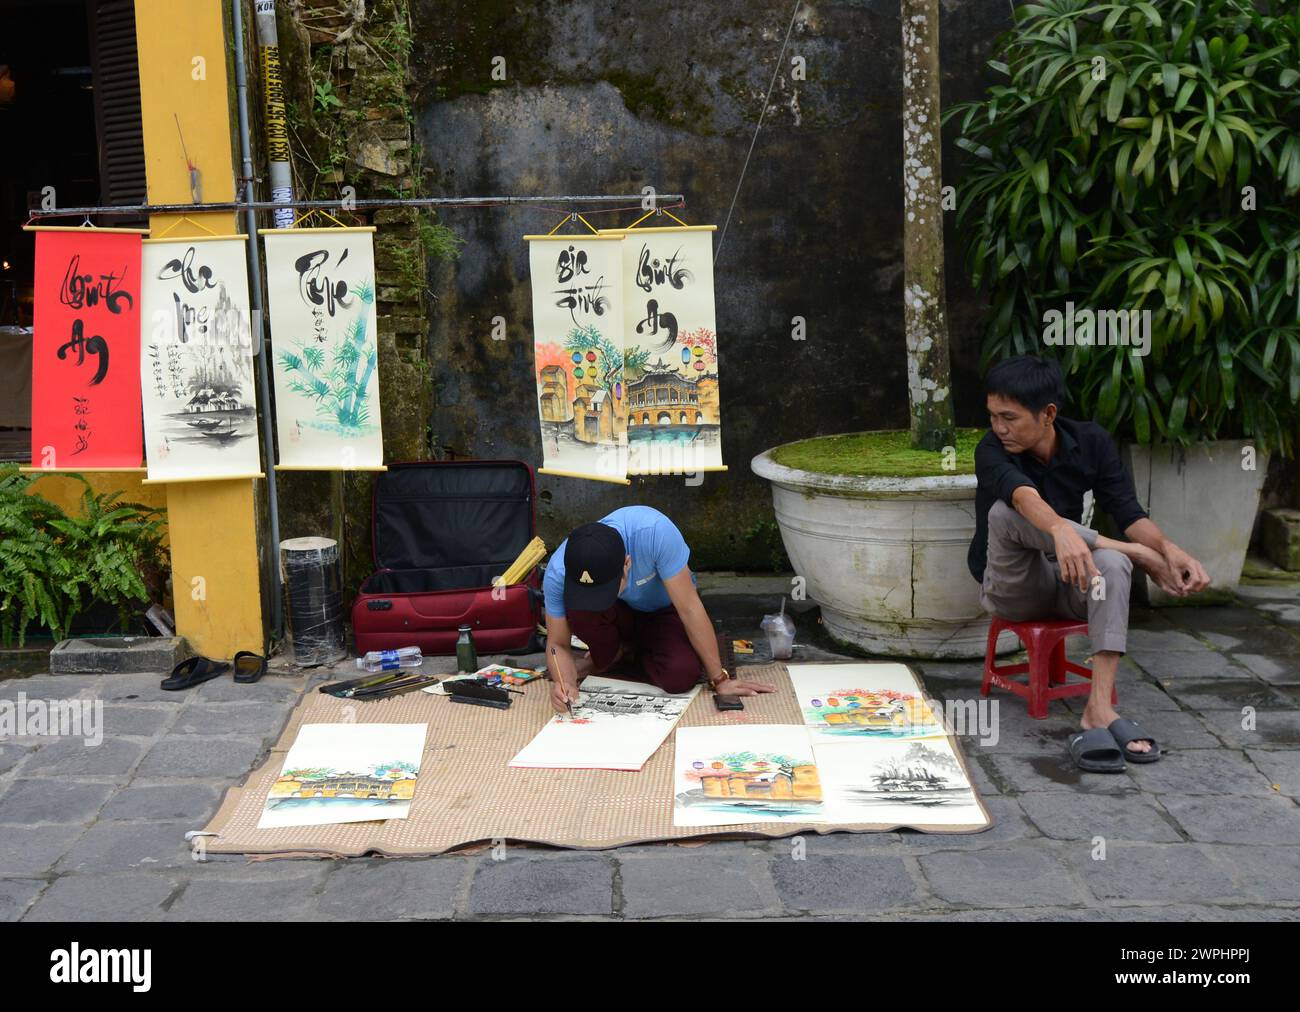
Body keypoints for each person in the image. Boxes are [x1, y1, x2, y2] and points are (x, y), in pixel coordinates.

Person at [969, 355, 1210, 771]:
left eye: (1009, 417)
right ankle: (1128, 554)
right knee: (1005, 513)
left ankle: (1099, 708)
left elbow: (1129, 512)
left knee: (1113, 565)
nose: (999, 427)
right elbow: (1023, 497)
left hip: (1073, 580)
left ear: (1048, 414)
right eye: (993, 416)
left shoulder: (1091, 441)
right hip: (1016, 587)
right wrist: (1068, 532)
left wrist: (1169, 550)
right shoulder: (991, 450)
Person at [543, 505, 774, 713]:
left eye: (603, 591)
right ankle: (615, 654)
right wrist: (565, 684)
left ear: (627, 563)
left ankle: (626, 652)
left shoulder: (654, 532)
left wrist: (720, 679)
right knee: (580, 612)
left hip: (661, 611)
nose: (596, 598)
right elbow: (557, 643)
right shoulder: (557, 572)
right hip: (616, 615)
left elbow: (689, 608)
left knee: (680, 675)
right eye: (588, 594)